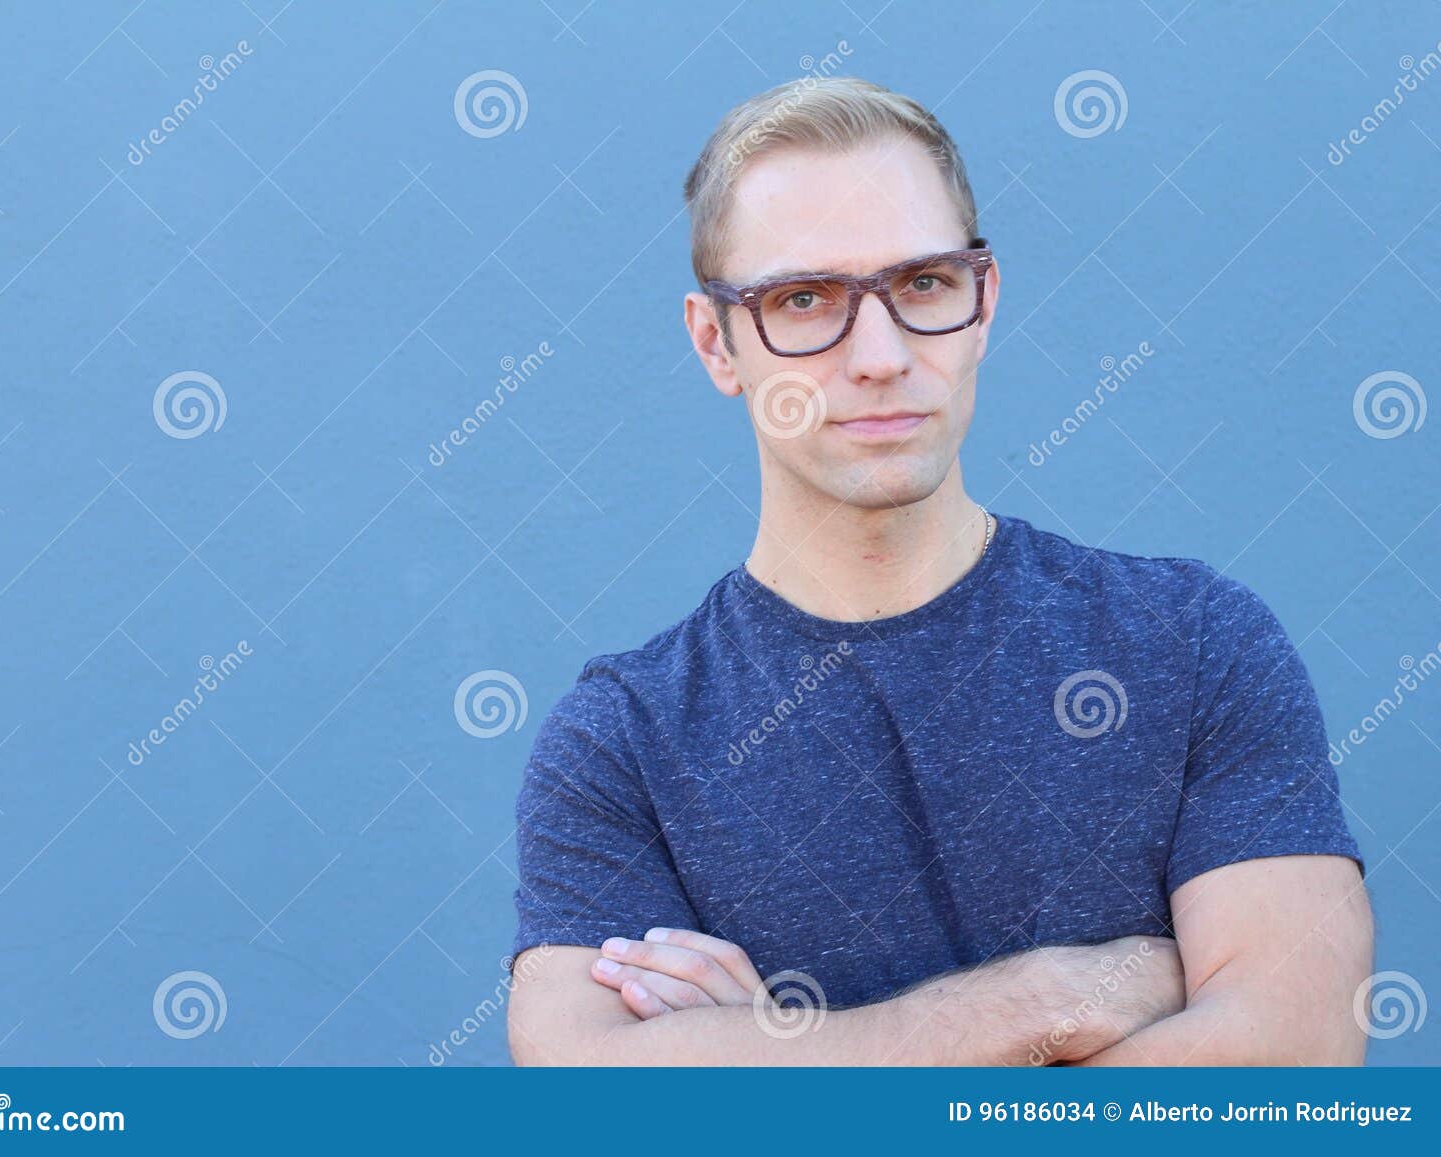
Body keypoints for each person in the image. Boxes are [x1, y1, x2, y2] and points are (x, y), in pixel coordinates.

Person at [505, 77, 1371, 1065]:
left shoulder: (1195, 643)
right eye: (803, 299)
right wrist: (1035, 1002)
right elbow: (584, 1089)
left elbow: (1290, 1066)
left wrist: (784, 1067)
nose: (876, 355)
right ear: (717, 341)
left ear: (982, 301)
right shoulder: (622, 743)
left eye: (921, 285)